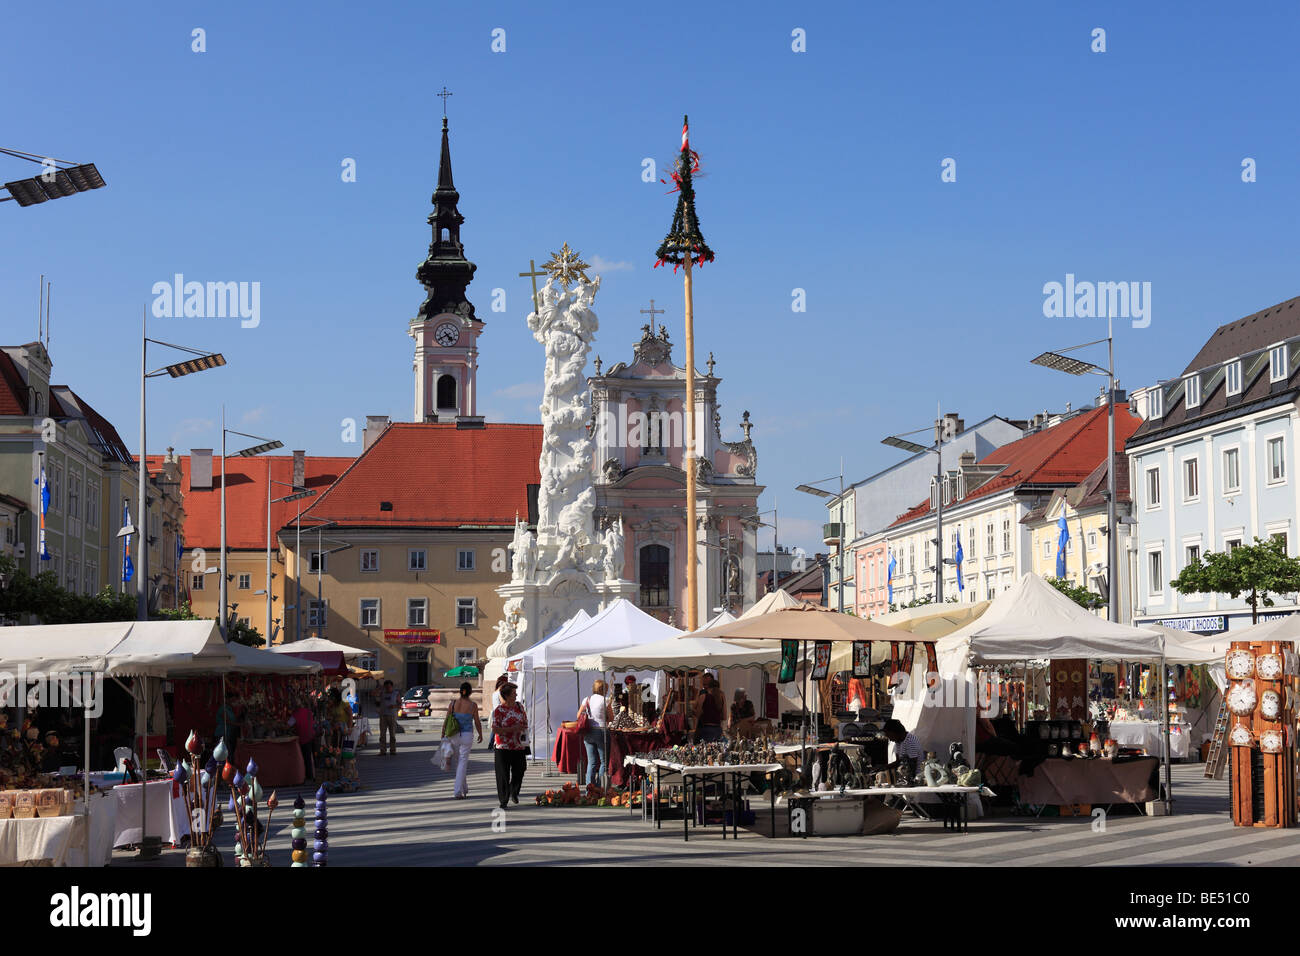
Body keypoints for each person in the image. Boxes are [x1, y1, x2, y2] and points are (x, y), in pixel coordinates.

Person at [491, 682, 528, 809]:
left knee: (520, 769)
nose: (516, 694)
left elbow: (524, 721)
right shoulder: (499, 711)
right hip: (503, 747)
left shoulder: (519, 707)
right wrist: (512, 729)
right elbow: (495, 729)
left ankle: (514, 791)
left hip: (518, 746)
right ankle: (503, 799)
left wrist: (523, 728)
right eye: (513, 693)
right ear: (506, 695)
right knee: (503, 774)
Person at [443, 682, 482, 798]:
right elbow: (477, 721)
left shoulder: (453, 704)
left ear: (460, 691)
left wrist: (443, 733)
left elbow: (446, 720)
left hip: (453, 735)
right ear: (470, 692)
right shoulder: (473, 705)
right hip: (466, 735)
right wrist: (480, 734)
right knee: (462, 762)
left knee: (459, 763)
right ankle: (458, 791)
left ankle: (464, 788)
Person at [578, 680, 609, 786]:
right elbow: (612, 718)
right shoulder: (606, 700)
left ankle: (589, 787)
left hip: (588, 732)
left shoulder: (587, 699)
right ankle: (600, 787)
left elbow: (578, 715)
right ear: (604, 689)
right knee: (604, 761)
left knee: (592, 762)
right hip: (601, 731)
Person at [693, 676, 726, 742]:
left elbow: (698, 715)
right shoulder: (721, 697)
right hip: (718, 729)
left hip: (706, 729)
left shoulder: (703, 696)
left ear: (708, 688)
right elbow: (724, 716)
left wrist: (693, 711)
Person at [290, 701, 316, 780]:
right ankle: (315, 775)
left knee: (306, 758)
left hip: (304, 737)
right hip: (312, 735)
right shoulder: (308, 711)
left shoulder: (295, 714)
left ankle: (309, 776)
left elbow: (288, 725)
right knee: (314, 757)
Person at [214, 690, 243, 757]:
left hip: (229, 733)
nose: (233, 701)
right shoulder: (223, 708)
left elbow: (233, 719)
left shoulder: (229, 708)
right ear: (227, 699)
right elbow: (227, 721)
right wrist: (240, 725)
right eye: (232, 699)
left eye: (234, 700)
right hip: (222, 733)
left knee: (229, 751)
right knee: (224, 752)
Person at [377, 680, 400, 756]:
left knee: (392, 734)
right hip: (383, 716)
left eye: (389, 687)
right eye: (386, 687)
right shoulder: (382, 693)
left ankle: (393, 750)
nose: (387, 688)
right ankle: (382, 750)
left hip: (392, 716)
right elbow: (373, 694)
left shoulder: (396, 694)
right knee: (382, 734)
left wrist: (394, 706)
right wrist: (379, 688)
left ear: (392, 687)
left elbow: (400, 704)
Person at [489, 674, 510, 752]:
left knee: (494, 728)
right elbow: (503, 702)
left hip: (495, 711)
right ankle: (493, 743)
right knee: (498, 729)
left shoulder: (495, 692)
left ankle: (491, 744)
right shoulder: (500, 692)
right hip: (500, 712)